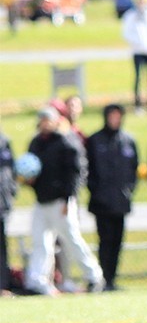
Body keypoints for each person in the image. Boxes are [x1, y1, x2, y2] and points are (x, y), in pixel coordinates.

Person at [23, 107, 105, 295]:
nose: (45, 124)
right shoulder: (36, 143)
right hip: (42, 200)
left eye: (48, 120)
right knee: (40, 242)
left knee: (72, 239)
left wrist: (69, 198)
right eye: (42, 120)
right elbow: (33, 170)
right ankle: (37, 282)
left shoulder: (66, 141)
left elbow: (76, 171)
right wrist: (29, 181)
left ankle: (94, 276)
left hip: (61, 201)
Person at [85, 104, 138, 291]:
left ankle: (112, 279)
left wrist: (128, 190)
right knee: (104, 241)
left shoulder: (128, 141)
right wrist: (96, 190)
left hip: (121, 201)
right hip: (101, 202)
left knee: (117, 241)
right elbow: (88, 170)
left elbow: (133, 170)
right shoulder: (95, 140)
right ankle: (103, 278)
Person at [0, 129, 16, 294]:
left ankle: (2, 285)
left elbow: (11, 172)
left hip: (1, 204)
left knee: (1, 248)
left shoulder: (4, 140)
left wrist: (11, 193)